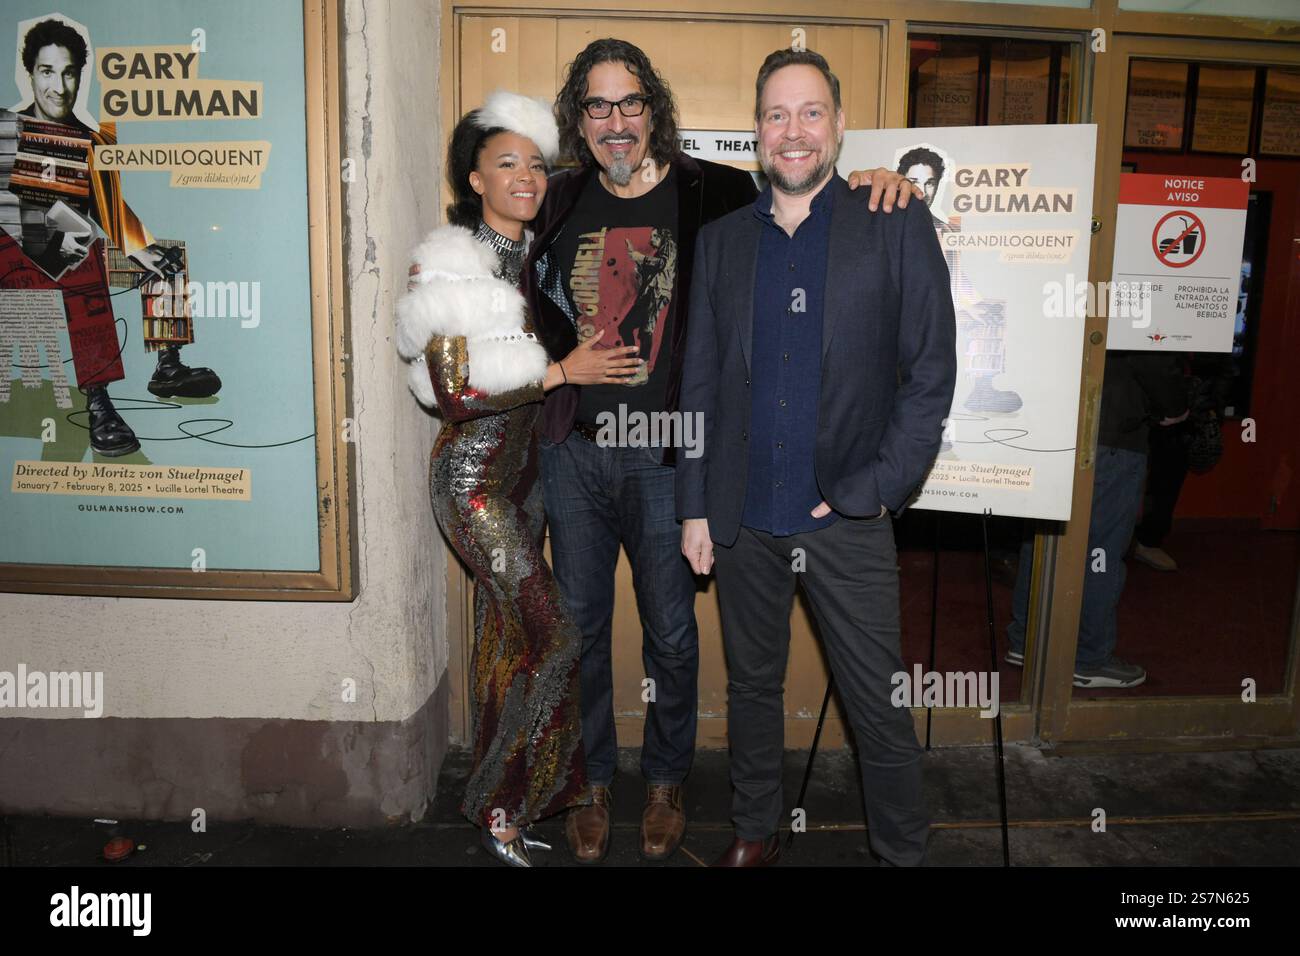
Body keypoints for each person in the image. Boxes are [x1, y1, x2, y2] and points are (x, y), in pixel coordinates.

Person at [520, 37, 921, 864]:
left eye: (630, 101)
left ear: (654, 107)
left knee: (674, 632)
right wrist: (553, 371)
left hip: (671, 453)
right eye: (597, 106)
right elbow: (496, 240)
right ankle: (597, 785)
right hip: (582, 452)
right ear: (580, 120)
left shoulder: (720, 193)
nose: (616, 119)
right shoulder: (557, 202)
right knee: (586, 631)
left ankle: (668, 783)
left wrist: (891, 178)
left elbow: (811, 183)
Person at [676, 48, 956, 867]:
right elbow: (698, 382)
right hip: (741, 517)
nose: (791, 131)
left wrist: (874, 489)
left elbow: (931, 372)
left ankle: (901, 851)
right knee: (754, 689)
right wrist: (695, 501)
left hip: (846, 516)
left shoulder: (892, 219)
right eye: (775, 115)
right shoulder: (724, 241)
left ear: (837, 126)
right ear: (757, 134)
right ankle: (754, 826)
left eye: (809, 113)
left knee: (877, 704)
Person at [394, 92, 640, 866]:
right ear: (475, 179)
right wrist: (560, 370)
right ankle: (496, 804)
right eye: (507, 162)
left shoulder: (538, 255)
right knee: (556, 634)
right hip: (472, 483)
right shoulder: (449, 263)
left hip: (529, 474)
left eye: (535, 162)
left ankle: (511, 803)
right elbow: (453, 391)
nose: (526, 175)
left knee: (506, 643)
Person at [0, 16, 221, 457]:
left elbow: (107, 207)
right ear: (30, 73)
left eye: (68, 73)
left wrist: (139, 245)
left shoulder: (91, 138)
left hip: (65, 242)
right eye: (47, 71)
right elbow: (17, 212)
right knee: (82, 253)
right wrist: (64, 235)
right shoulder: (5, 127)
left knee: (166, 254)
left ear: (79, 78)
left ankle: (167, 366)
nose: (58, 86)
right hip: (10, 249)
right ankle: (99, 400)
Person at [1006, 351, 1189, 688]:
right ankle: (1087, 657)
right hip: (1111, 430)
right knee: (1100, 550)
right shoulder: (1131, 296)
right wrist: (1174, 404)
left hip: (1054, 422)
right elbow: (1147, 350)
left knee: (1043, 537)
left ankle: (1027, 639)